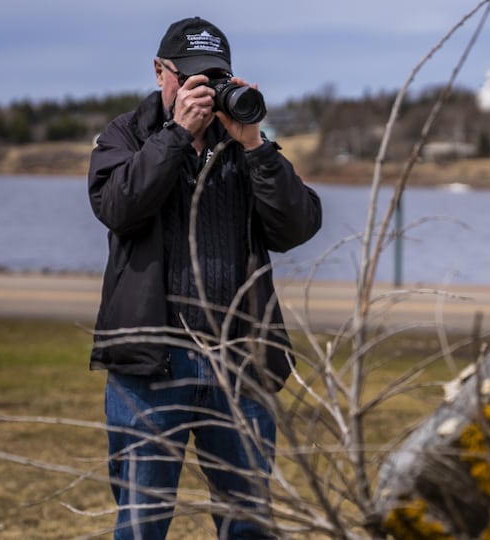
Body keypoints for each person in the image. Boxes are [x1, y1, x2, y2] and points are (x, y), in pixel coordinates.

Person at [87, 15, 322, 539]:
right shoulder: (125, 135)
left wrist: (257, 145)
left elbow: (297, 225)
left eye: (214, 77)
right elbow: (118, 207)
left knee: (249, 524)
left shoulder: (244, 142)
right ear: (160, 73)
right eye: (190, 77)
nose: (203, 89)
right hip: (152, 364)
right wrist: (176, 135)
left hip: (239, 361)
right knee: (142, 523)